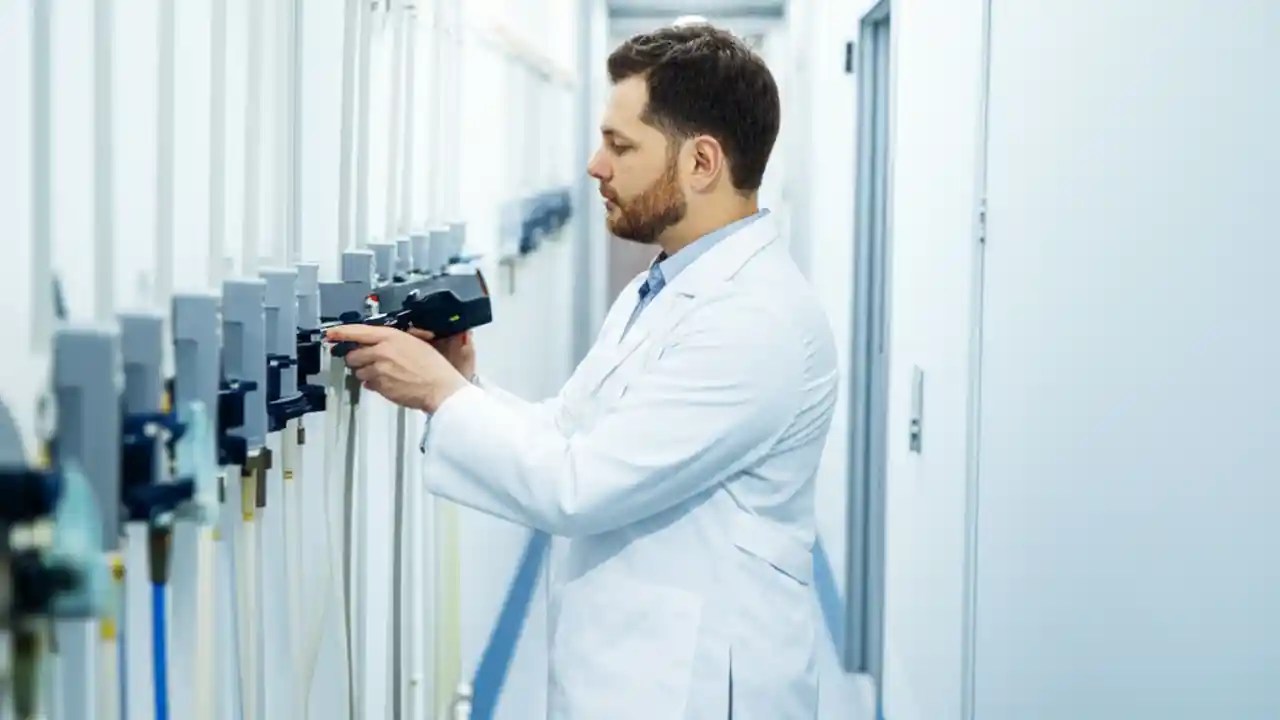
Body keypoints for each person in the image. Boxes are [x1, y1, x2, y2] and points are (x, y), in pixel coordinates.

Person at [326, 23, 838, 720]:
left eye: (620, 145)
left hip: (696, 690)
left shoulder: (756, 322)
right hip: (638, 670)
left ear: (702, 162)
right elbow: (574, 432)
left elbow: (579, 486)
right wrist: (462, 389)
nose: (596, 165)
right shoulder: (663, 284)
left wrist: (442, 395)